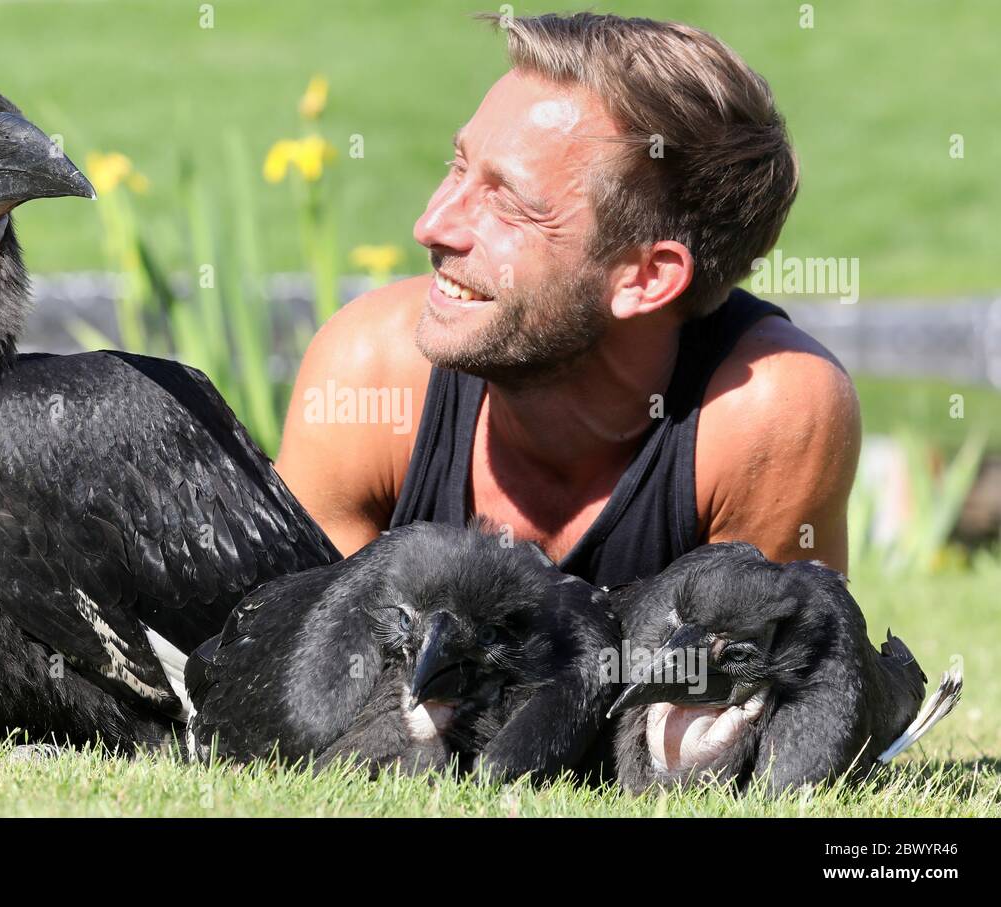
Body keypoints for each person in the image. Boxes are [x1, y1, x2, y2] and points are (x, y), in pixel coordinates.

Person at [276, 12, 860, 585]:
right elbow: (296, 665)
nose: (431, 224)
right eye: (458, 169)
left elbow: (761, 675)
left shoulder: (764, 417)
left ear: (647, 278)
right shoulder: (370, 374)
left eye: (508, 203)